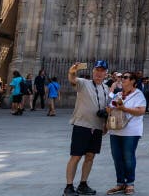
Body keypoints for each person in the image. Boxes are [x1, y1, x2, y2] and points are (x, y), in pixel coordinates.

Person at [64, 60, 110, 196]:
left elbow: (105, 107)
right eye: (97, 70)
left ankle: (83, 184)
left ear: (106, 73)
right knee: (76, 156)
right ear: (93, 71)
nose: (99, 73)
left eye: (102, 71)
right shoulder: (84, 83)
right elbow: (72, 80)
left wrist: (105, 123)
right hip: (82, 125)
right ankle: (69, 186)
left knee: (90, 156)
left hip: (97, 127)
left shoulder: (106, 89)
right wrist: (72, 71)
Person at [107, 71, 146, 195]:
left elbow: (141, 111)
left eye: (125, 77)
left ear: (133, 81)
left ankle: (130, 183)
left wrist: (124, 109)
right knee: (117, 157)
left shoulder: (138, 94)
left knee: (128, 157)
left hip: (131, 131)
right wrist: (110, 109)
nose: (122, 79)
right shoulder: (118, 94)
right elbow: (109, 108)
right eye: (121, 77)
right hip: (115, 130)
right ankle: (120, 183)